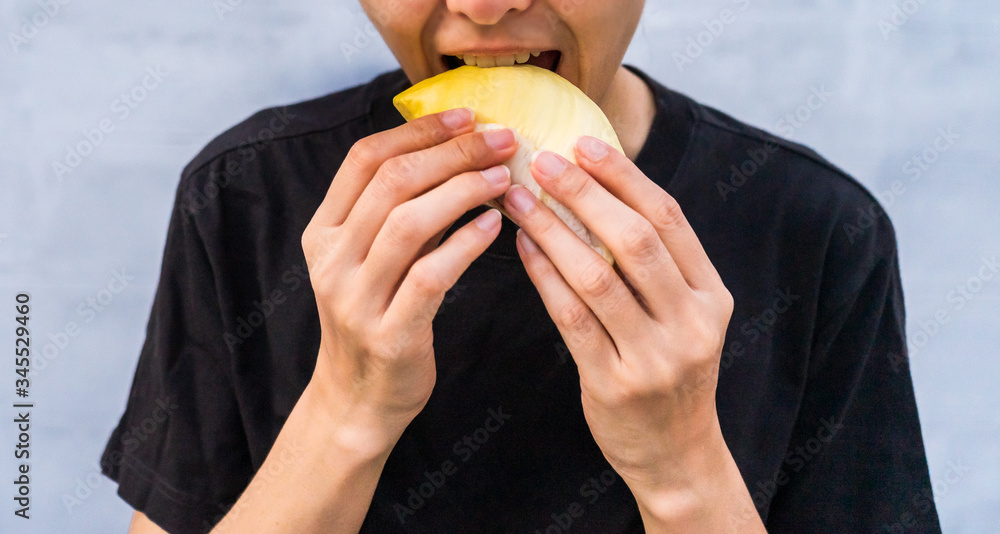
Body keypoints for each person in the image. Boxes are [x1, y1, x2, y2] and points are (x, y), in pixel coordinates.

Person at [102, 1, 941, 532]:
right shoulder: (244, 195)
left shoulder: (818, 228)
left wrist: (682, 469)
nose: (483, 5)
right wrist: (345, 413)